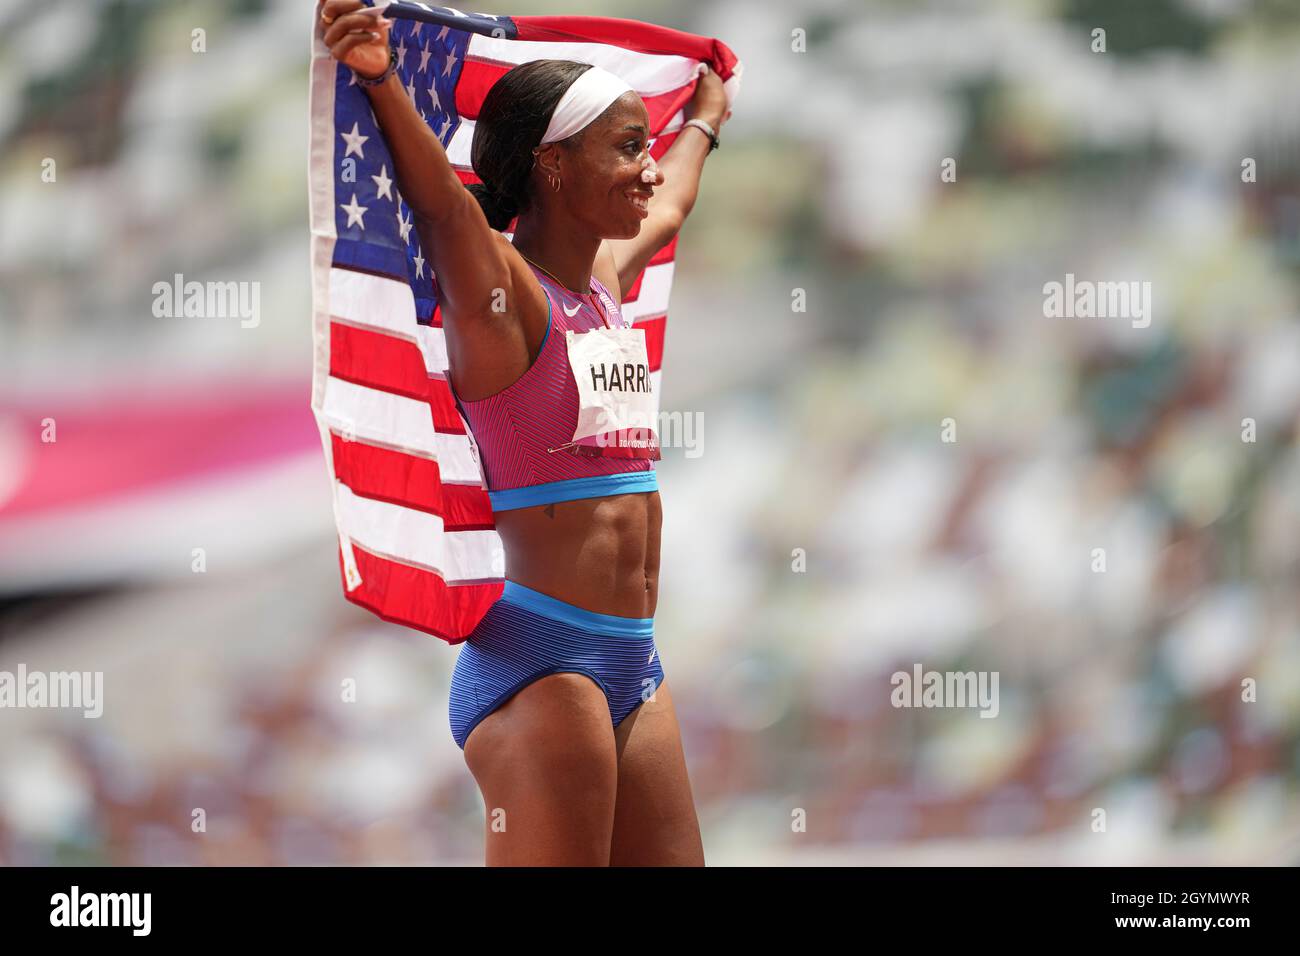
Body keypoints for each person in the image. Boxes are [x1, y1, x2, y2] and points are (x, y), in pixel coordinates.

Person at [317, 1, 730, 865]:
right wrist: (381, 77)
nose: (648, 169)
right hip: (542, 662)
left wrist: (703, 120)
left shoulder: (608, 283)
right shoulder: (504, 297)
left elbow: (677, 201)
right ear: (551, 164)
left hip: (632, 662)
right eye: (626, 147)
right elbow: (440, 207)